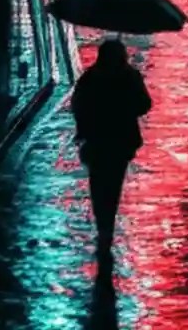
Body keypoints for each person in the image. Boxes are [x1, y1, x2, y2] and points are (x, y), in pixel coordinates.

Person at [71, 39, 152, 256]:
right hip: (120, 142)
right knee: (113, 185)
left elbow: (77, 105)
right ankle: (107, 226)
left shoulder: (90, 78)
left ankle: (102, 225)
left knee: (97, 184)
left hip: (96, 141)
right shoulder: (130, 77)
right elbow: (145, 104)